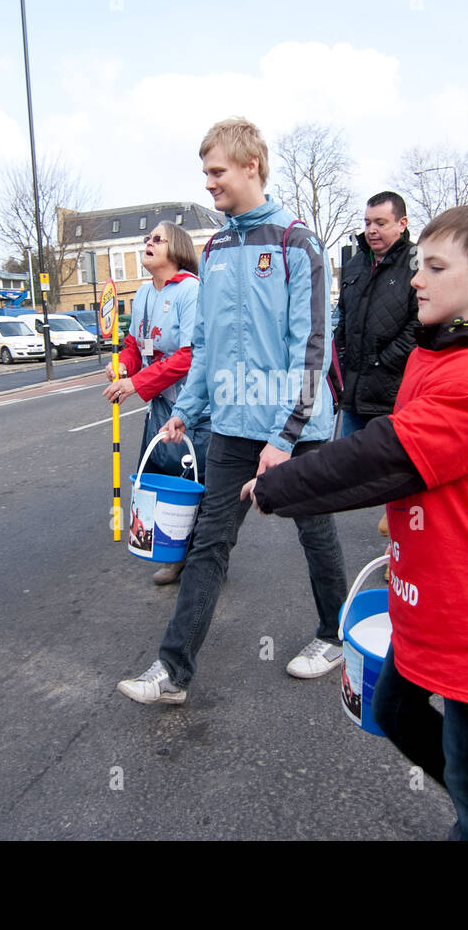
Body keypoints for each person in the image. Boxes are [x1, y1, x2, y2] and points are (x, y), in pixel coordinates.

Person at [242, 204, 468, 840]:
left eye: (436, 267)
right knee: (396, 708)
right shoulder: (446, 344)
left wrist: (280, 487)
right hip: (441, 586)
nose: (417, 279)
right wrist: (405, 516)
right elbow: (425, 466)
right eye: (419, 264)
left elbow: (386, 453)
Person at [116, 117, 348, 705]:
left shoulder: (298, 242)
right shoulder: (216, 249)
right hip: (231, 428)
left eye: (216, 172)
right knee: (210, 542)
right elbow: (209, 346)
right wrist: (185, 411)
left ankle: (333, 634)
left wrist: (285, 436)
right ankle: (172, 672)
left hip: (294, 432)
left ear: (252, 167)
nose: (209, 183)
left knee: (315, 533)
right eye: (206, 173)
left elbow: (312, 348)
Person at [103, 221, 211, 582]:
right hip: (161, 406)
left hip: (195, 410)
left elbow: (189, 355)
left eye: (157, 239)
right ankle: (173, 553)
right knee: (161, 479)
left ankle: (202, 561)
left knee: (192, 483)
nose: (148, 242)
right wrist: (122, 366)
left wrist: (136, 383)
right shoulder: (144, 294)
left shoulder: (191, 291)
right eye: (146, 238)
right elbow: (136, 345)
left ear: (176, 248)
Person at [335, 191, 418, 437]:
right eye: (368, 222)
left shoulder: (418, 262)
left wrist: (384, 360)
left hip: (393, 397)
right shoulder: (355, 264)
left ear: (402, 223)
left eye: (380, 223)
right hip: (352, 395)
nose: (371, 230)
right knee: (348, 469)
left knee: (386, 472)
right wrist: (341, 354)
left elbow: (420, 323)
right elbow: (343, 317)